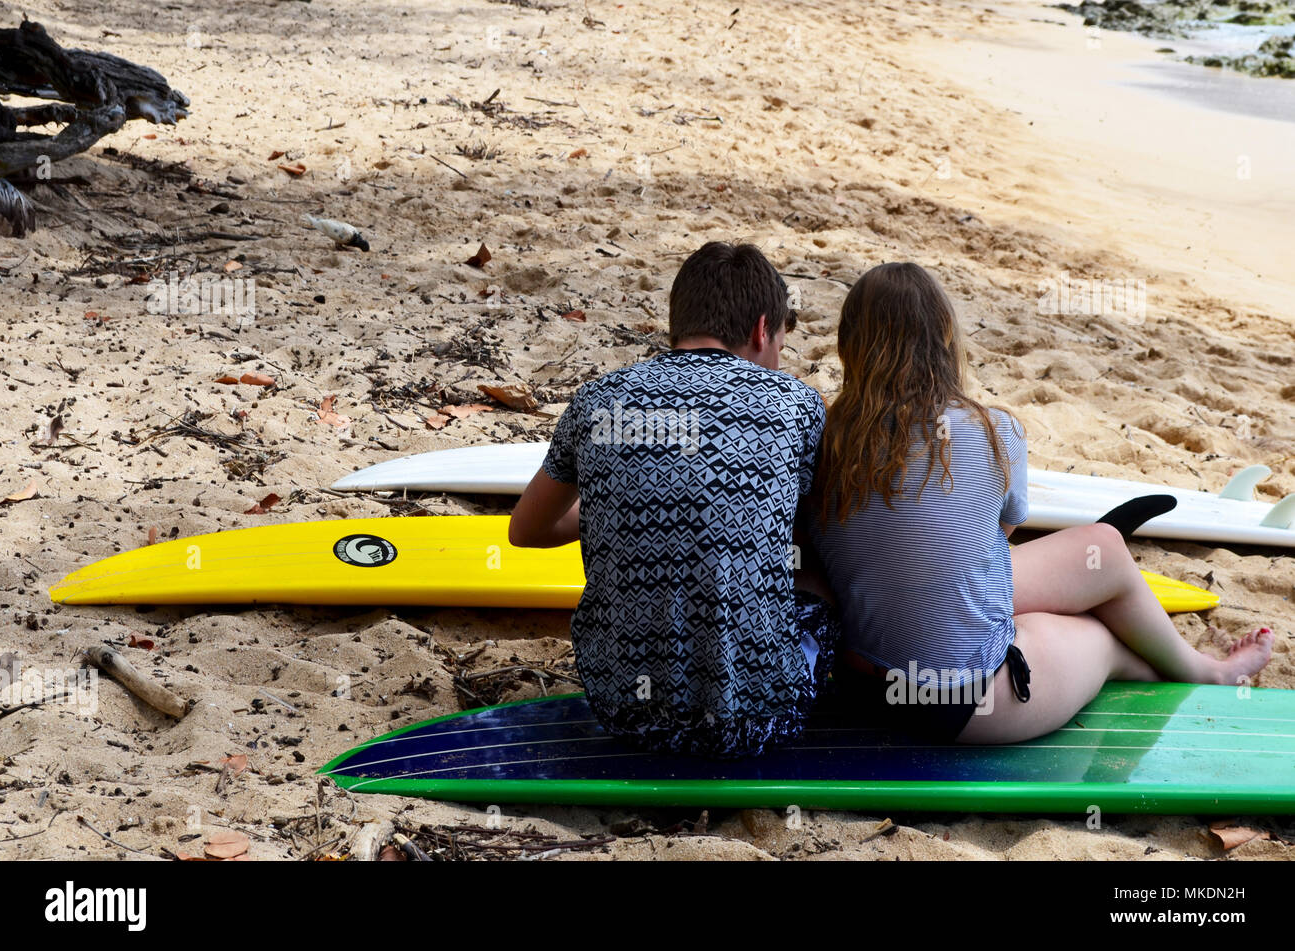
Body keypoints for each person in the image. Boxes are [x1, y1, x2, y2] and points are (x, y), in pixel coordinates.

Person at [807, 261, 1274, 744]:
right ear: (947, 340)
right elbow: (993, 541)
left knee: (1103, 546)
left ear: (849, 346)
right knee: (1105, 640)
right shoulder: (993, 433)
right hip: (969, 703)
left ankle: (1165, 655)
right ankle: (1200, 672)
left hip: (864, 680)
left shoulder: (824, 440)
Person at [508, 241, 839, 757]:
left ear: (676, 325)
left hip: (621, 711)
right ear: (759, 329)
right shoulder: (794, 403)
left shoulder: (597, 401)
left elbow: (524, 531)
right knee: (816, 568)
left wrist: (626, 510)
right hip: (753, 722)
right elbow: (810, 526)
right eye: (779, 342)